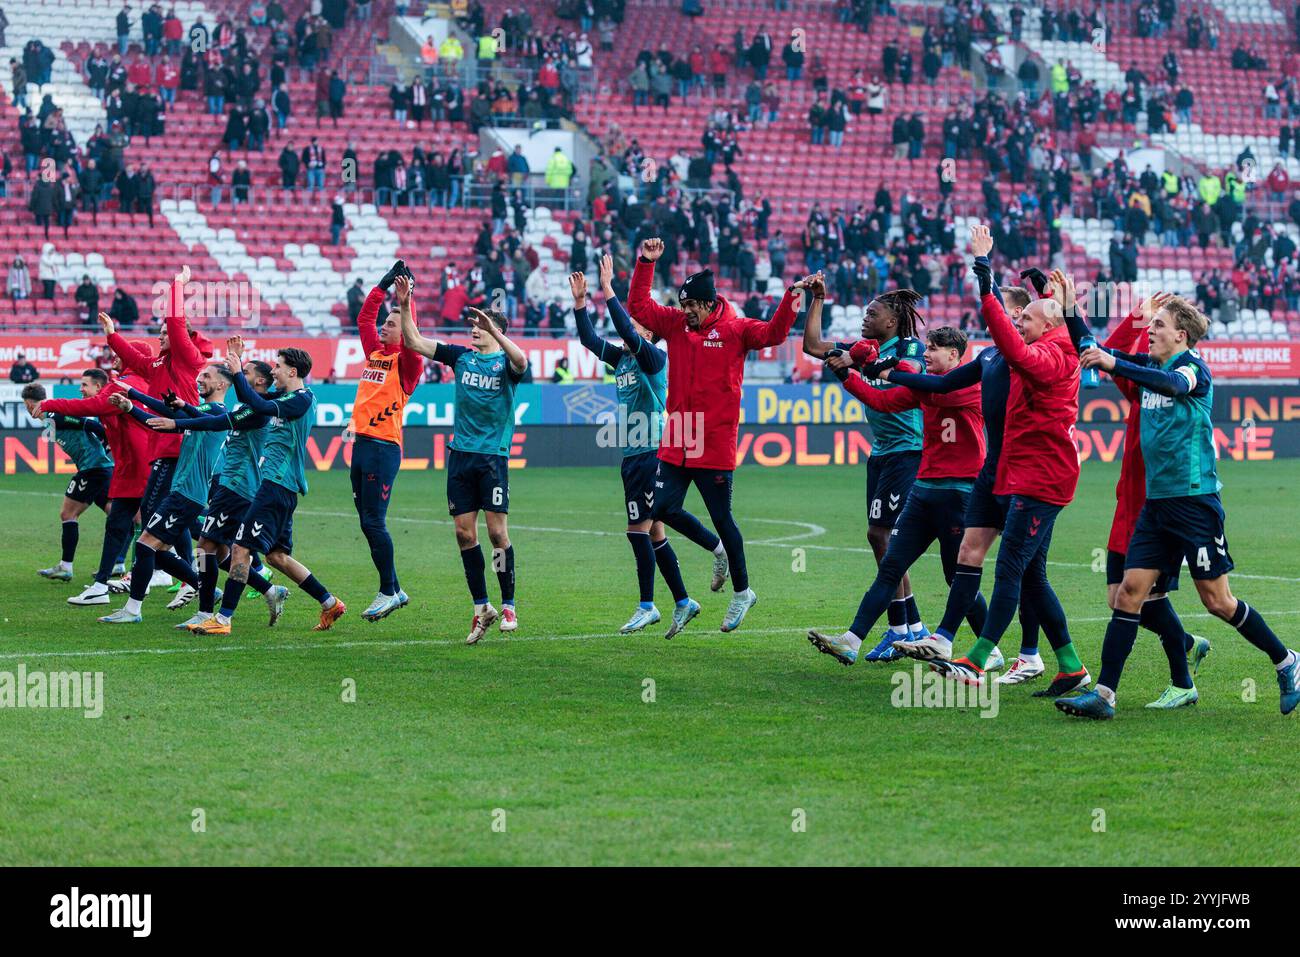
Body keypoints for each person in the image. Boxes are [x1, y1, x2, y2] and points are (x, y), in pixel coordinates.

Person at [1063, 299, 1300, 718]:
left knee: (1217, 601)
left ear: (1181, 336)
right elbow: (1092, 348)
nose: (1149, 330)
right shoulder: (1150, 367)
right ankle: (1103, 696)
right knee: (1128, 594)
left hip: (1195, 503)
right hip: (1156, 507)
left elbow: (1173, 386)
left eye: (1158, 325)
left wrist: (1114, 364)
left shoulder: (1194, 369)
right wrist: (1068, 309)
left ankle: (1287, 661)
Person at [903, 226, 1086, 690]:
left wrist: (983, 273)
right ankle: (1070, 665)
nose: (1019, 318)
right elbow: (1024, 333)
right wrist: (1045, 291)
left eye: (1027, 315)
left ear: (1047, 326)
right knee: (992, 559)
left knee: (1013, 570)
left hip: (1042, 479)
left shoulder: (1054, 358)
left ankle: (979, 658)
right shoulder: (1036, 343)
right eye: (1017, 314)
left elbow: (1015, 344)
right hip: (1005, 471)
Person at [629, 238, 799, 633]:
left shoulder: (736, 330)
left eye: (690, 306)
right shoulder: (673, 323)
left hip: (715, 440)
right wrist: (646, 264)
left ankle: (743, 593)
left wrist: (791, 298)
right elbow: (638, 307)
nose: (684, 312)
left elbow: (774, 334)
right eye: (682, 305)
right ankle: (717, 550)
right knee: (664, 509)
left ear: (708, 304)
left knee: (723, 517)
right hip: (678, 436)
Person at [807, 324, 990, 666]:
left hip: (959, 493)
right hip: (924, 492)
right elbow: (880, 400)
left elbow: (933, 387)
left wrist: (887, 367)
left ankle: (989, 648)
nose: (926, 353)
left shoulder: (969, 383)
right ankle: (851, 640)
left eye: (934, 348)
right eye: (926, 347)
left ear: (954, 354)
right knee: (891, 566)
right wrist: (848, 376)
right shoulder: (925, 387)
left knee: (957, 576)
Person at [571, 256, 705, 636]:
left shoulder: (653, 358)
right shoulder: (623, 360)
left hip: (650, 451)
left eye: (638, 324)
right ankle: (683, 601)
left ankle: (648, 605)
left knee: (637, 530)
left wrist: (609, 289)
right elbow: (589, 340)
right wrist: (581, 303)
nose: (632, 327)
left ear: (650, 334)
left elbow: (626, 334)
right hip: (632, 454)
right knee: (655, 532)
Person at [802, 277, 930, 660]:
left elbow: (904, 372)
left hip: (909, 450)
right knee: (881, 537)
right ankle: (910, 627)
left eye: (872, 313)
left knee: (883, 535)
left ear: (891, 320)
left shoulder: (907, 346)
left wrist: (859, 363)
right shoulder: (865, 349)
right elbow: (811, 346)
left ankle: (900, 628)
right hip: (882, 454)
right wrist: (819, 299)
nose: (864, 318)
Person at [398, 289, 529, 643]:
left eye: (480, 325)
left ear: (496, 331)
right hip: (461, 456)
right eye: (472, 324)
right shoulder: (461, 358)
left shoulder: (505, 364)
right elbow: (413, 341)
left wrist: (498, 333)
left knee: (497, 534)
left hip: (493, 458)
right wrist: (404, 302)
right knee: (463, 535)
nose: (473, 329)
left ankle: (509, 604)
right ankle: (481, 608)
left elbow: (522, 361)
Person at [192, 338, 347, 635]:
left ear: (293, 372)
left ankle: (222, 620)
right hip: (278, 487)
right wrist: (237, 363)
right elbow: (255, 397)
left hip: (276, 485)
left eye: (278, 366)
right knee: (277, 556)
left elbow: (259, 403)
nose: (274, 370)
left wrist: (237, 370)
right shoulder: (287, 398)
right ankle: (330, 603)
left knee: (240, 548)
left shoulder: (300, 399)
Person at [135, 358, 286, 630]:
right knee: (217, 552)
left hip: (237, 488)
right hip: (229, 486)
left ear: (260, 381)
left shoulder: (256, 411)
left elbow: (218, 421)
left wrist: (177, 421)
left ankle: (212, 614)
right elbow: (217, 419)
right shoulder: (248, 407)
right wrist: (183, 409)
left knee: (207, 547)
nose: (241, 375)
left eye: (246, 372)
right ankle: (267, 590)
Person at [100, 268, 212, 596]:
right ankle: (195, 580)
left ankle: (167, 579)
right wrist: (112, 335)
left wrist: (177, 287)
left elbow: (176, 325)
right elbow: (135, 359)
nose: (160, 337)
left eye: (163, 333)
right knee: (180, 521)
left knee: (157, 519)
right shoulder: (160, 364)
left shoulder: (187, 357)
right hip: (165, 445)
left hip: (177, 445)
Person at [95, 362, 231, 623]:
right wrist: (131, 406)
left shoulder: (214, 410)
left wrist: (133, 397)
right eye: (200, 373)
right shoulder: (202, 414)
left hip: (187, 495)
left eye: (207, 376)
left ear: (222, 385)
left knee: (146, 544)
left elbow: (170, 417)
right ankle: (207, 590)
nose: (199, 379)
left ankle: (133, 610)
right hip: (182, 492)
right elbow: (161, 419)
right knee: (159, 550)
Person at [37, 339, 152, 607]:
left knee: (170, 528)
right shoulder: (127, 382)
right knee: (120, 524)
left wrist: (49, 404)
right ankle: (102, 586)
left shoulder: (127, 384)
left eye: (121, 353)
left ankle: (195, 579)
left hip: (140, 467)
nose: (114, 357)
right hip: (127, 468)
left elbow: (92, 407)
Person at [349, 261, 423, 621]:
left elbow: (412, 337)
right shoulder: (375, 353)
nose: (383, 326)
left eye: (390, 324)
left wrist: (406, 305)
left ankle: (386, 591)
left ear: (403, 332)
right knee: (366, 522)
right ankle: (395, 588)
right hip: (361, 445)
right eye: (386, 321)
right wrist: (382, 286)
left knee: (375, 523)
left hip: (383, 448)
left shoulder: (408, 365)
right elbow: (365, 319)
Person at [22, 375, 114, 581]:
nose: (29, 409)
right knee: (115, 512)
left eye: (28, 405)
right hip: (96, 468)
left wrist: (110, 440)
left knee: (67, 514)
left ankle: (66, 567)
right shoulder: (49, 418)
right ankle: (123, 558)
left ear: (29, 404)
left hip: (93, 469)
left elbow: (89, 425)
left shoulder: (55, 416)